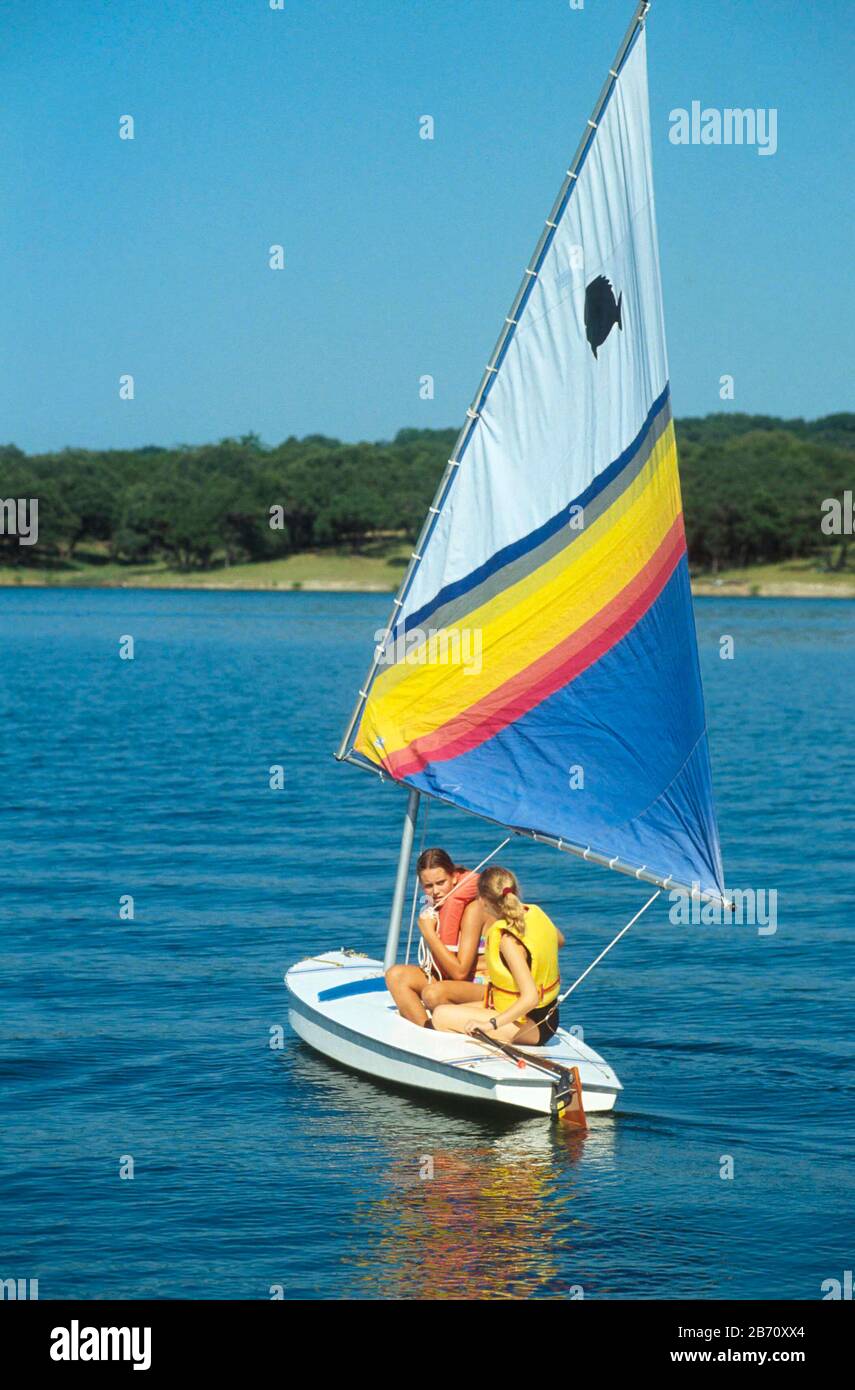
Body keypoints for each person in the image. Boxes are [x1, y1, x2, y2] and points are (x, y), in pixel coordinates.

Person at [431, 866, 565, 1045]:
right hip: (544, 1013)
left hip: (535, 1024)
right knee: (446, 1010)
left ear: (483, 901)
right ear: (515, 891)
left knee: (440, 1016)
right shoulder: (534, 913)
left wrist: (489, 1025)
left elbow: (531, 998)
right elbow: (559, 940)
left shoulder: (507, 941)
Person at [385, 848, 487, 1027]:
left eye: (441, 883)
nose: (435, 892)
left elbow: (460, 972)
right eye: (428, 886)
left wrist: (429, 934)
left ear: (454, 876)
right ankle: (429, 1031)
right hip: (450, 982)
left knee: (433, 994)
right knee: (396, 975)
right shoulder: (437, 907)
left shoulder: (474, 909)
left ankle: (451, 1030)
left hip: (480, 985)